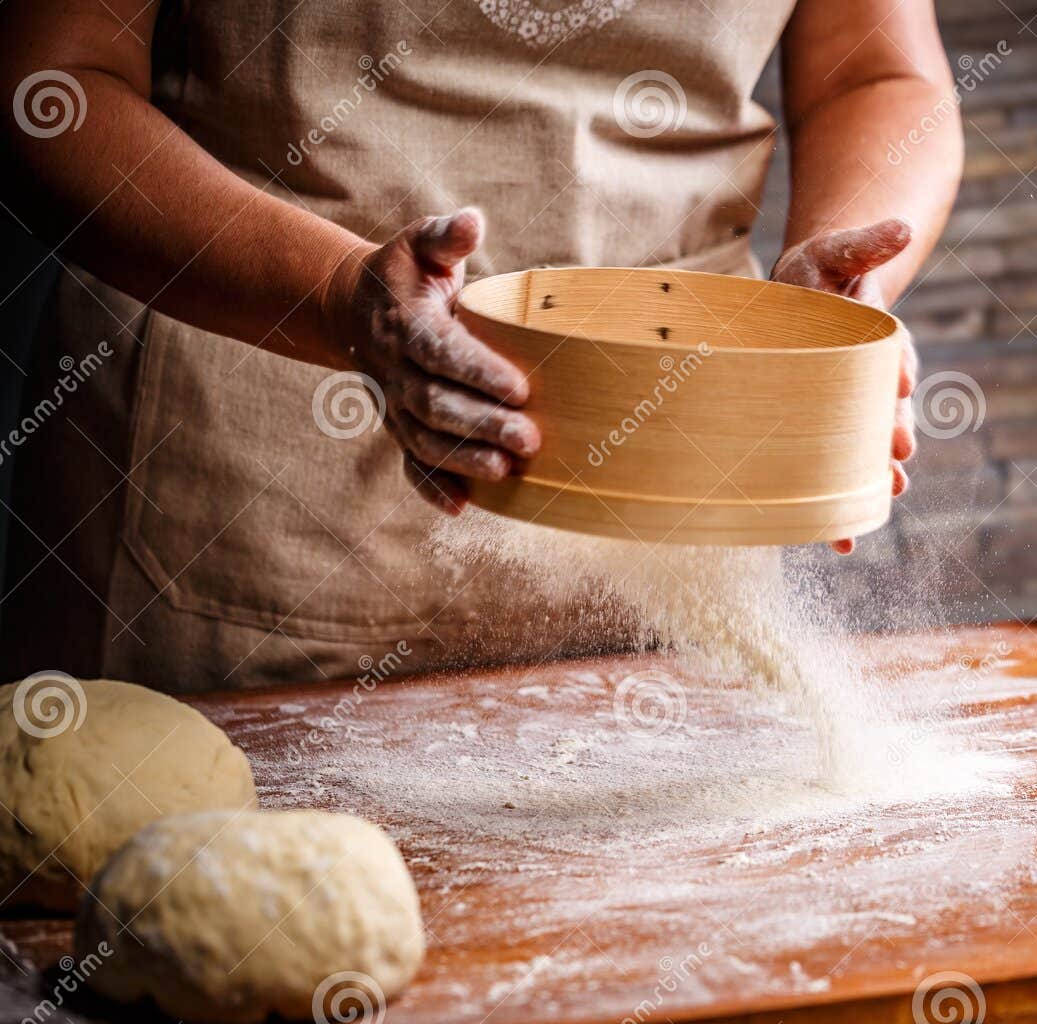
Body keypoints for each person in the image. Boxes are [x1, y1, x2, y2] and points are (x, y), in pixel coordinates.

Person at [0, 0, 962, 691]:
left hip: (672, 495)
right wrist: (341, 300)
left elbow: (877, 71)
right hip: (244, 499)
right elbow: (54, 82)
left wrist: (840, 294)